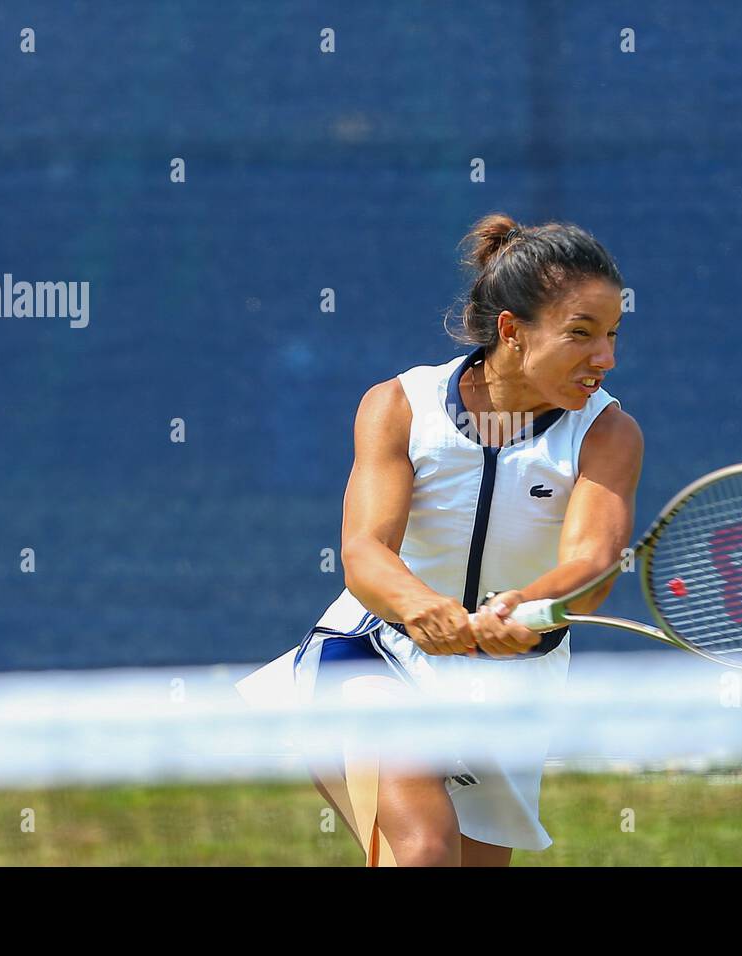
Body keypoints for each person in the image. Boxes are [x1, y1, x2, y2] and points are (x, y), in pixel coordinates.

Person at [257, 213, 642, 866]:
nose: (604, 358)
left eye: (612, 335)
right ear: (513, 331)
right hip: (374, 653)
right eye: (581, 335)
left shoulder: (608, 433)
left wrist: (519, 607)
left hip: (514, 684)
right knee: (425, 853)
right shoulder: (400, 405)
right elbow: (363, 553)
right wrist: (416, 606)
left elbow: (592, 564)